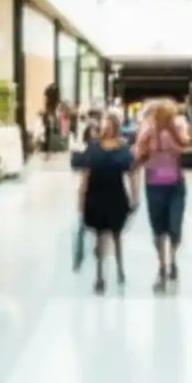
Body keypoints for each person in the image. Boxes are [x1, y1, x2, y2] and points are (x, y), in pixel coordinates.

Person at [80, 112, 139, 293]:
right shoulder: (95, 148)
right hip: (97, 195)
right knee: (101, 236)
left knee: (115, 234)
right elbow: (86, 174)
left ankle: (118, 269)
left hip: (115, 196)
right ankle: (100, 275)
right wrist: (81, 196)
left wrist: (135, 196)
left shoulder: (121, 149)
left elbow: (132, 173)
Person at [135, 99, 190, 292]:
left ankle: (172, 259)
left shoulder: (179, 126)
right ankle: (161, 264)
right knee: (158, 228)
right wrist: (149, 138)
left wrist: (172, 131)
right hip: (154, 184)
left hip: (175, 183)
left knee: (174, 225)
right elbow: (138, 153)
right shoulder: (147, 129)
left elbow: (185, 144)